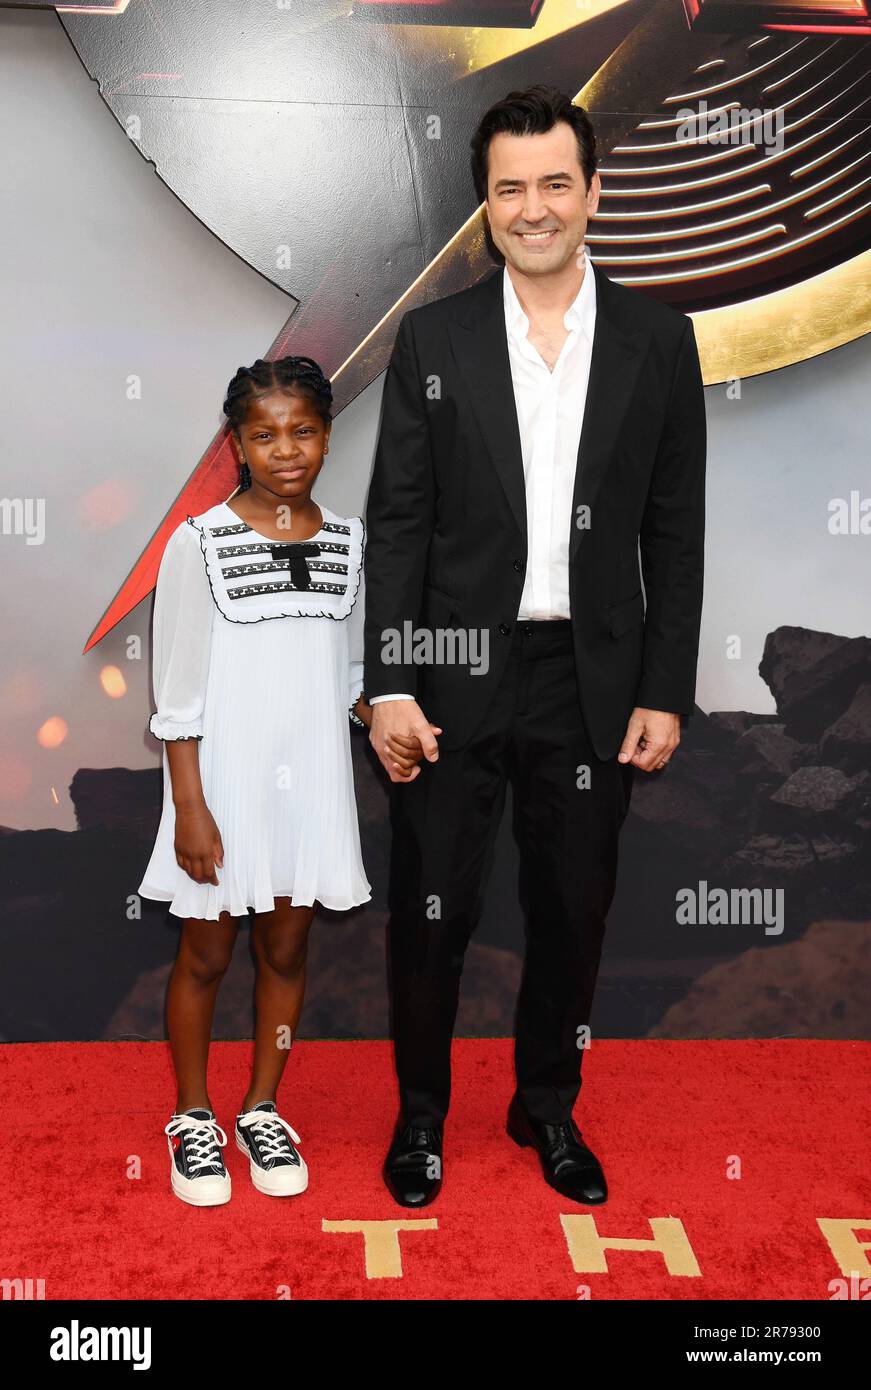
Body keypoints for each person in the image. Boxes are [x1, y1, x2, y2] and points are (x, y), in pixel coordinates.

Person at [364, 86, 706, 1207]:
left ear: (594, 193)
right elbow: (400, 521)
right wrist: (389, 685)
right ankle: (420, 1119)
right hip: (455, 669)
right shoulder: (435, 337)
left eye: (555, 182)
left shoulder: (659, 340)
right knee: (433, 909)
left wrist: (664, 685)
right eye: (510, 188)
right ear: (486, 206)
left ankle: (546, 1107)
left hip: (588, 678)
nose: (534, 207)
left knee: (571, 906)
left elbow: (673, 523)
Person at [139, 355, 423, 1206]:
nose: (286, 449)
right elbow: (177, 696)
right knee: (206, 952)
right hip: (221, 787)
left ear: (328, 435)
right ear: (237, 444)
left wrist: (387, 726)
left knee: (287, 949)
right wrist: (191, 807)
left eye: (302, 431)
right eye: (263, 435)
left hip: (309, 788)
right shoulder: (198, 543)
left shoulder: (348, 541)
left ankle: (262, 1108)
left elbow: (343, 679)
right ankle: (194, 1116)